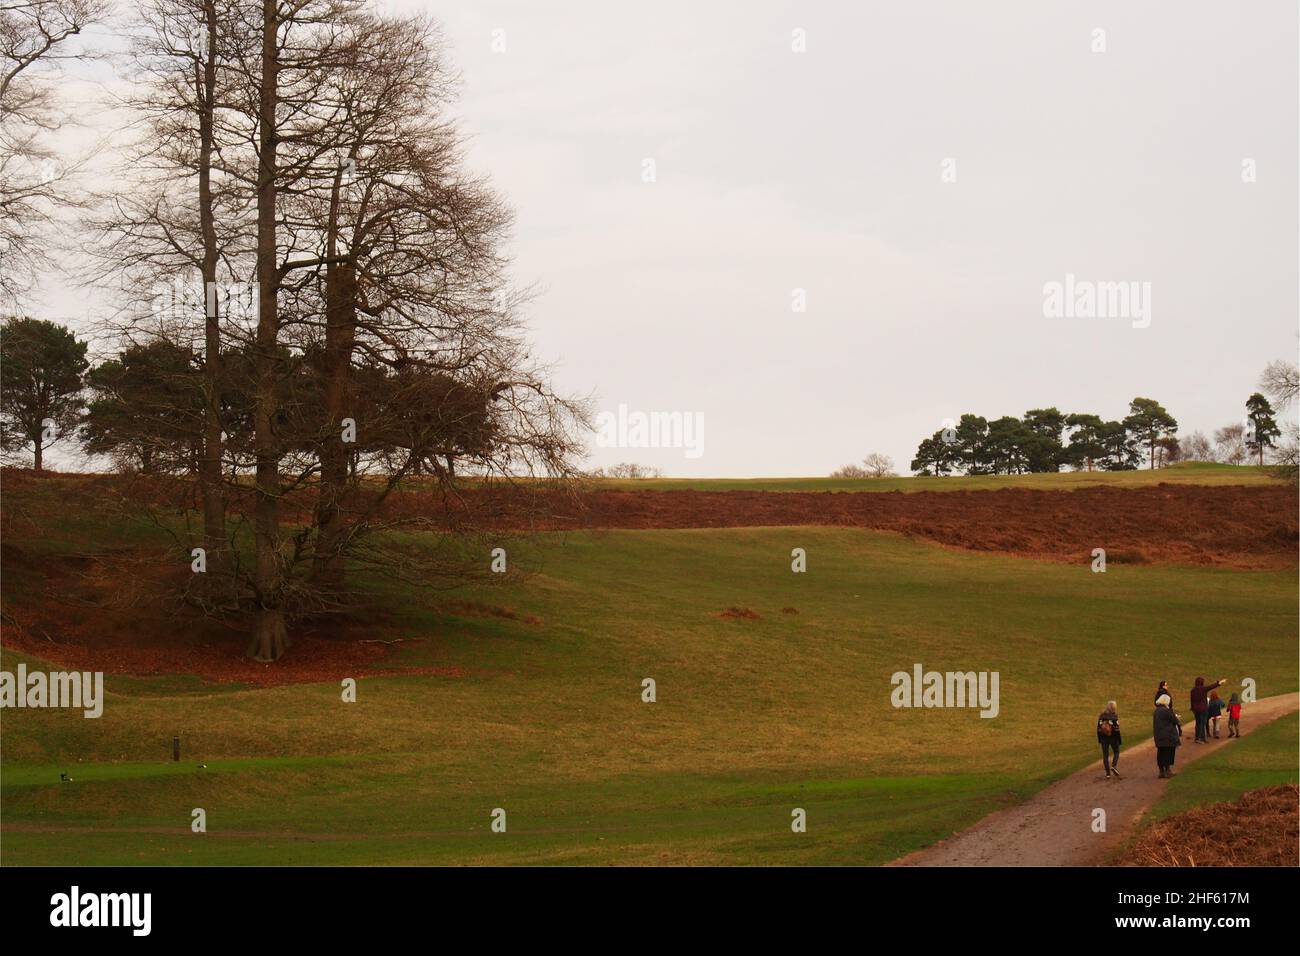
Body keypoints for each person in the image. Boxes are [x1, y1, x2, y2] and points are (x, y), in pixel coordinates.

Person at [1153, 694, 1182, 778]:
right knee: (1169, 753)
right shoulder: (1166, 710)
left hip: (1159, 735)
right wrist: (1177, 718)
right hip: (1168, 735)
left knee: (1161, 753)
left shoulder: (1156, 711)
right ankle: (1167, 771)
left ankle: (1161, 771)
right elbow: (1175, 720)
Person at [1190, 677, 1226, 742]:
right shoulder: (1203, 689)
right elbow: (1211, 686)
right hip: (1203, 709)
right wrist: (1219, 683)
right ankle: (1202, 738)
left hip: (1196, 709)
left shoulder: (1193, 690)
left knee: (1198, 723)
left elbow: (1192, 700)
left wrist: (1192, 708)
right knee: (1203, 724)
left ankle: (1197, 737)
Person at [1096, 700, 1122, 778]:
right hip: (1113, 738)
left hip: (1104, 738)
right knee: (1116, 752)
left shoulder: (1101, 716)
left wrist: (1099, 739)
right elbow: (1117, 730)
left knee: (1105, 755)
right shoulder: (1114, 717)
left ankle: (1107, 774)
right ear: (1114, 708)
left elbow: (1098, 729)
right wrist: (1119, 740)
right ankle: (1114, 766)